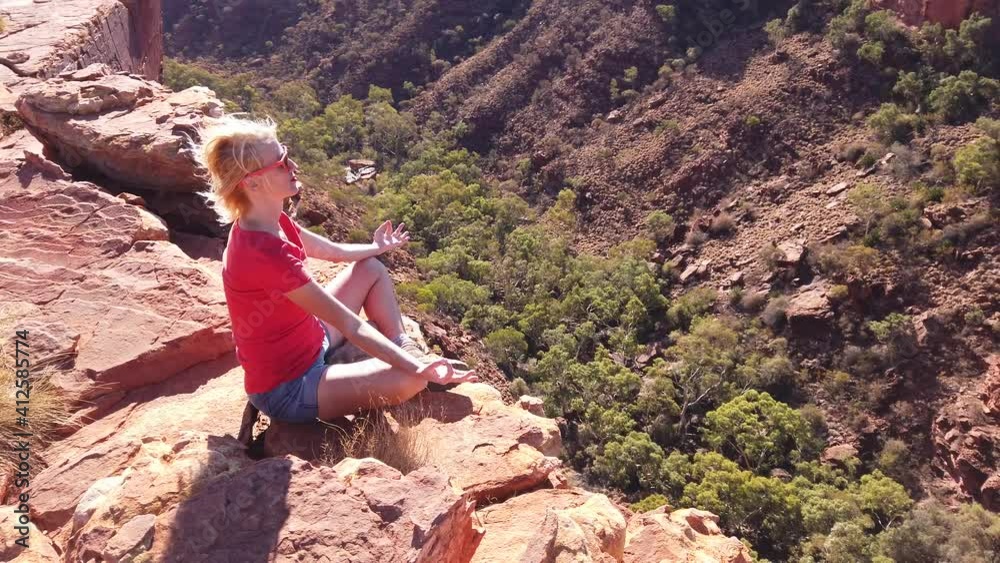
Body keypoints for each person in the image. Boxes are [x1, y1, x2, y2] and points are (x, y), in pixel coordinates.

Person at [194, 114, 477, 424]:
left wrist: (377, 248)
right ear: (253, 182)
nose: (293, 166)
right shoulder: (266, 253)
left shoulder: (267, 220)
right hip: (290, 388)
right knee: (412, 378)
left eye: (286, 153)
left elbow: (333, 252)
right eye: (282, 162)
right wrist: (416, 367)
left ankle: (402, 342)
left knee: (370, 268)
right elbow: (349, 323)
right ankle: (399, 362)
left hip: (313, 339)